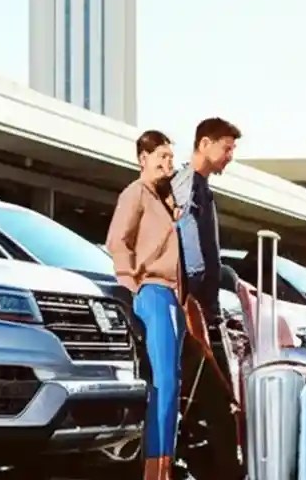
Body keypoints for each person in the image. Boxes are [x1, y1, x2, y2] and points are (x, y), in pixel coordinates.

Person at [106, 130, 184, 480]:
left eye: (170, 158)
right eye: (161, 157)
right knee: (163, 382)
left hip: (172, 297)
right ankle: (155, 468)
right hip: (151, 291)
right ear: (143, 159)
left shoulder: (165, 201)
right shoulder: (135, 193)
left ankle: (166, 461)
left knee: (173, 383)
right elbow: (116, 240)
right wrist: (131, 285)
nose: (167, 164)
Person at [171, 117, 241, 324]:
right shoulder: (186, 184)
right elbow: (188, 246)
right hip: (190, 306)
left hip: (202, 307)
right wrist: (194, 293)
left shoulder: (202, 188)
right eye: (226, 149)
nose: (230, 156)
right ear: (204, 144)